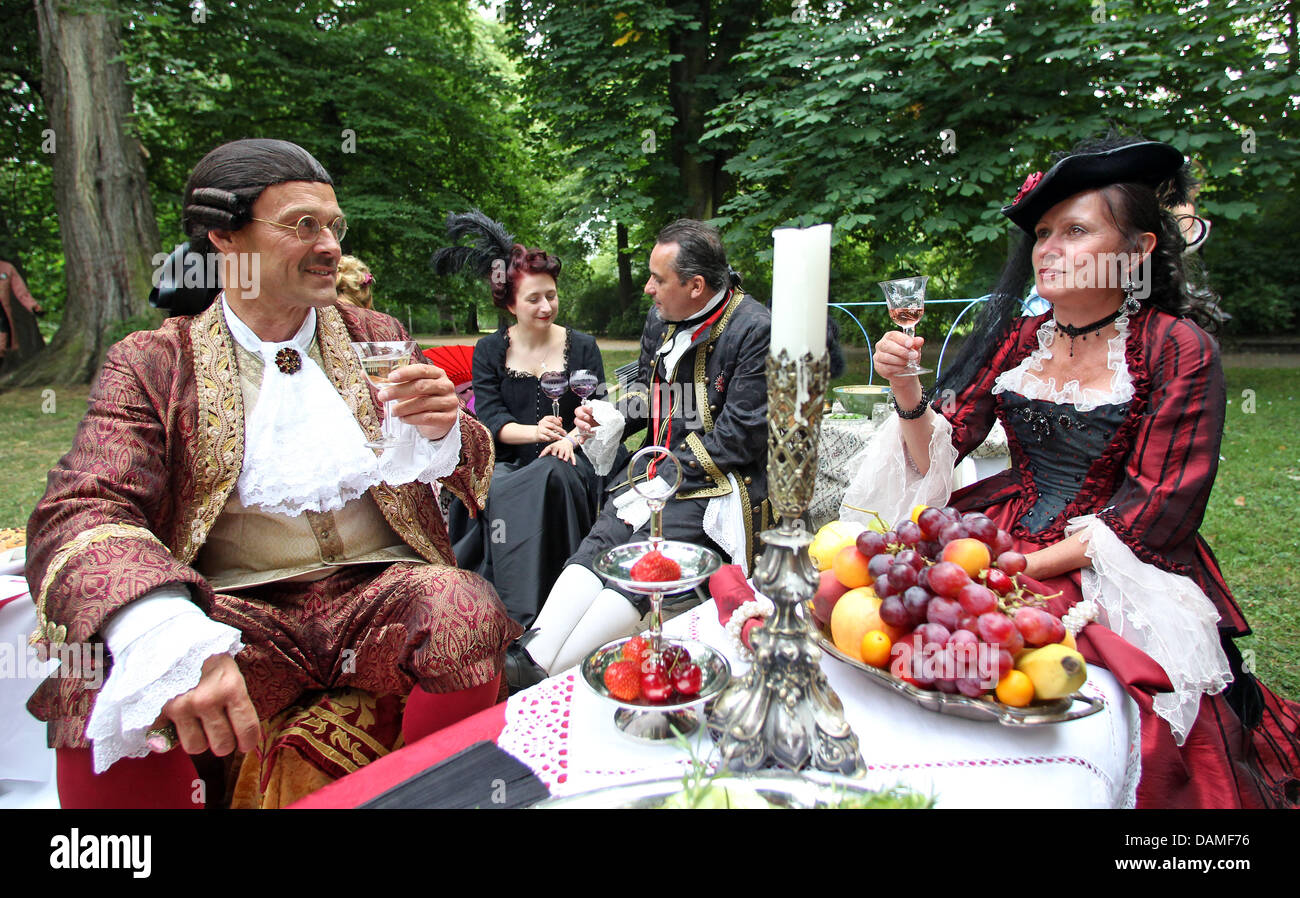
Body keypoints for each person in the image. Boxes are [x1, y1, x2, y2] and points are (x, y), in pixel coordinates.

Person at [24, 139, 521, 808]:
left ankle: (422, 797)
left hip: (373, 602)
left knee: (464, 605)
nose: (329, 247)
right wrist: (170, 635)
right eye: (303, 225)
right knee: (102, 674)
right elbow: (83, 508)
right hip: (233, 613)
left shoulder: (375, 332)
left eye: (334, 227)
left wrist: (441, 430)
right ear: (224, 236)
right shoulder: (152, 362)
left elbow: (456, 453)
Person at [843, 135, 1299, 808]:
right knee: (906, 654)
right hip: (998, 526)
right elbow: (939, 451)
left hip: (1111, 556)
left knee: (1080, 699)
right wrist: (908, 390)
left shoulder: (1175, 347)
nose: (1048, 248)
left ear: (1139, 250)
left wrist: (1019, 571)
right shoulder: (1022, 340)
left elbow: (1158, 508)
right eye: (1044, 233)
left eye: (1076, 230)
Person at [512, 219, 771, 682]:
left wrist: (664, 477)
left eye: (658, 279)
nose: (648, 288)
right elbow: (649, 396)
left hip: (718, 486)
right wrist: (606, 416)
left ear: (696, 285)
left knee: (642, 558)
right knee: (604, 538)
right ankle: (530, 659)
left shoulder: (755, 330)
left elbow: (739, 438)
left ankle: (554, 676)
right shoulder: (661, 320)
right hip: (657, 472)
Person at [431, 211, 618, 630]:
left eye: (551, 295)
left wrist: (572, 434)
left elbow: (598, 407)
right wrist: (535, 431)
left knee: (555, 472)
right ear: (510, 302)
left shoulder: (582, 347)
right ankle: (505, 609)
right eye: (534, 298)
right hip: (511, 459)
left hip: (571, 456)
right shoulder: (491, 350)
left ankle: (553, 607)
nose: (546, 306)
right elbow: (492, 415)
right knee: (494, 484)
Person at [0, 257, 43, 365]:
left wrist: (34, 307)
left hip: (2, 318)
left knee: (2, 346)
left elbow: (21, 291)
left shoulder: (6, 268)